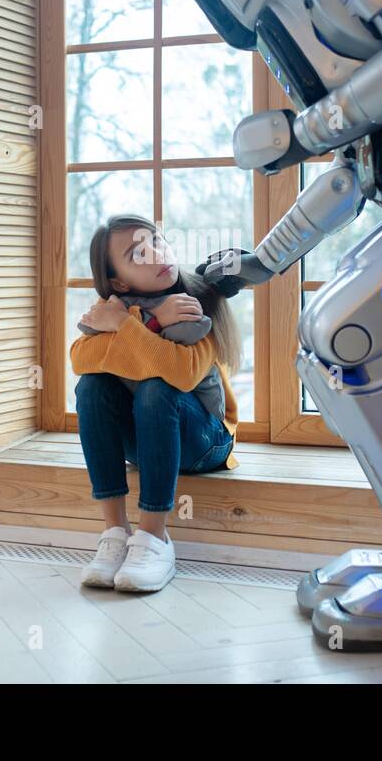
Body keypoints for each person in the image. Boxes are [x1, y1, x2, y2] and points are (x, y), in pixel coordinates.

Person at [71, 213, 241, 592]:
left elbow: (179, 374)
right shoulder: (113, 308)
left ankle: (155, 538)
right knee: (93, 386)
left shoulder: (199, 298)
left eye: (157, 241)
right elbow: (82, 360)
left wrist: (133, 326)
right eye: (137, 253)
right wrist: (146, 320)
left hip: (205, 442)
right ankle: (115, 532)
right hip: (147, 440)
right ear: (117, 280)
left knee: (157, 386)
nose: (157, 254)